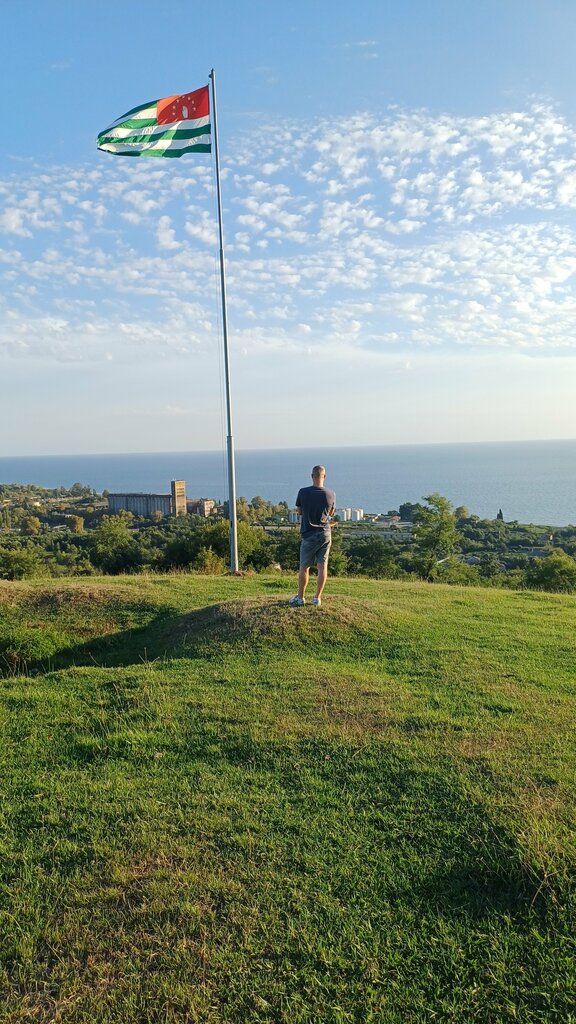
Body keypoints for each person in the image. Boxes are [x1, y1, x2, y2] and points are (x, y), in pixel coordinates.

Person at [288, 465, 335, 607]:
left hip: (309, 533)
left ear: (312, 476)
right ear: (324, 476)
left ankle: (300, 597)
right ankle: (317, 598)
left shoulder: (303, 492)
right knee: (322, 566)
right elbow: (330, 514)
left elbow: (300, 511)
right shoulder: (331, 494)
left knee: (304, 567)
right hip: (326, 533)